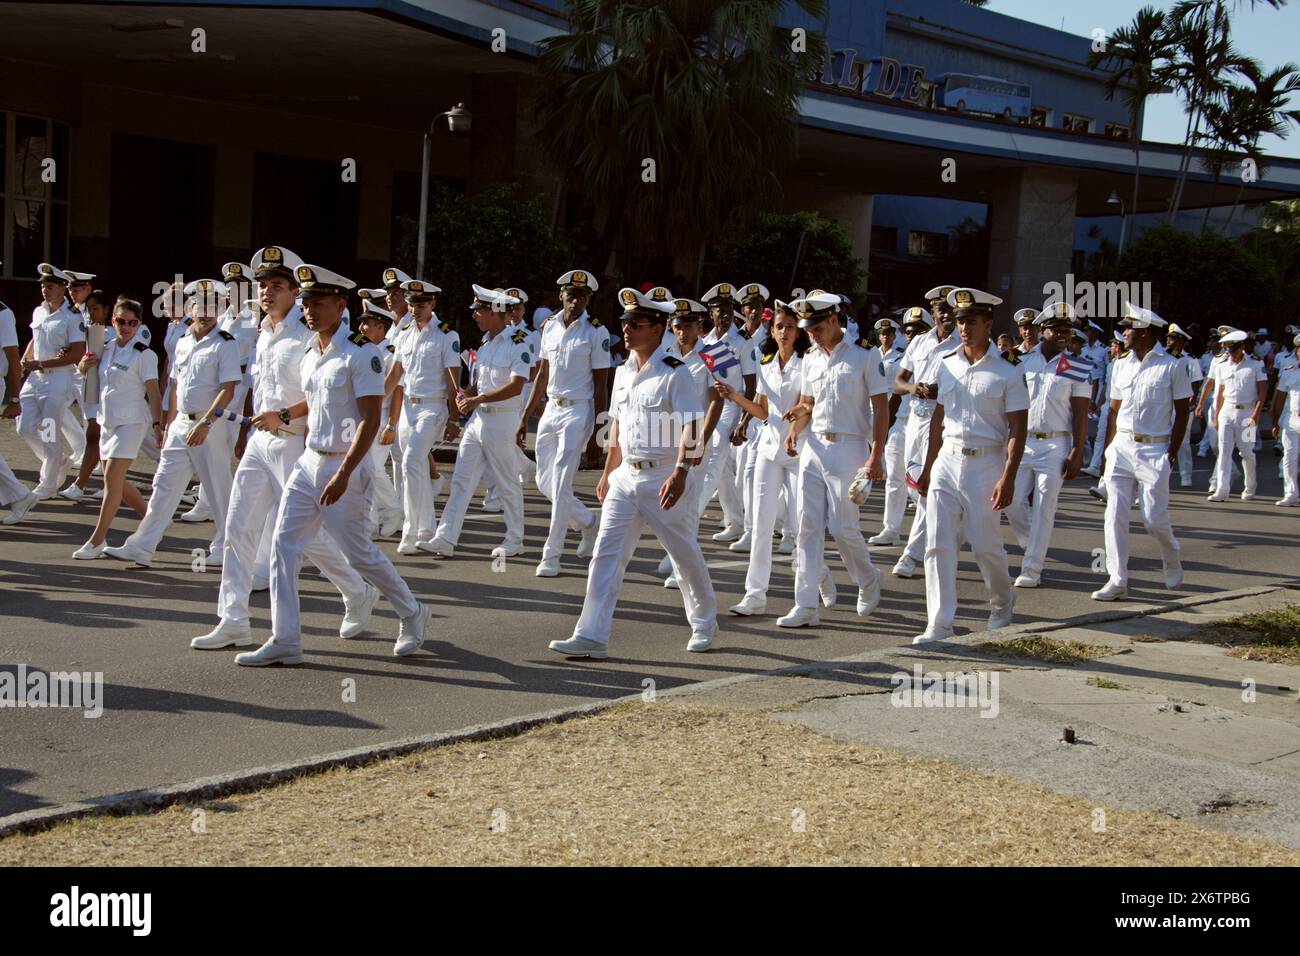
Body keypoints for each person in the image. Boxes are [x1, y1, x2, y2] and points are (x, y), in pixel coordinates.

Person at [235, 263, 430, 666]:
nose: (309, 311)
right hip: (308, 462)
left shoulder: (361, 353)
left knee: (359, 554)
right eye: (305, 304)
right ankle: (285, 638)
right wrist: (285, 416)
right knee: (283, 547)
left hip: (345, 466)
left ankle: (412, 611)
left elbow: (370, 419)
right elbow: (314, 398)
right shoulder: (312, 350)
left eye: (318, 303)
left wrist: (343, 474)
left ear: (341, 305)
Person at [190, 251, 379, 651]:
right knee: (238, 527)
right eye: (262, 286)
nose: (267, 292)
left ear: (296, 291)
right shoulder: (264, 330)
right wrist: (251, 426)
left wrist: (281, 414)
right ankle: (233, 619)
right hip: (262, 441)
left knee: (301, 537)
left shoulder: (308, 333)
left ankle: (356, 590)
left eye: (277, 286)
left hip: (296, 441)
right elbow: (256, 387)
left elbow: (322, 392)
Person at [546, 287, 716, 659]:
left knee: (682, 553)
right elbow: (617, 426)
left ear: (657, 329)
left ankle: (704, 621)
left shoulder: (676, 373)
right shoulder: (624, 371)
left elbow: (693, 425)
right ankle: (591, 634)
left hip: (663, 476)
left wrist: (682, 471)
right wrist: (608, 472)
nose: (626, 329)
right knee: (606, 555)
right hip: (626, 476)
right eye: (624, 322)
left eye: (635, 323)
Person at [912, 288, 1026, 644]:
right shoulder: (947, 365)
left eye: (972, 322)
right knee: (937, 542)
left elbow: (1017, 428)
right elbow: (938, 419)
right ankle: (940, 621)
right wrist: (929, 466)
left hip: (986, 462)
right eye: (960, 321)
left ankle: (1002, 600)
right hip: (948, 457)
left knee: (984, 545)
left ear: (988, 325)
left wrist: (1008, 476)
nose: (964, 328)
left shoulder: (1008, 372)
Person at [103, 279, 240, 568]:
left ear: (221, 307)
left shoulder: (225, 343)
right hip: (180, 424)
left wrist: (205, 423)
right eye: (200, 305)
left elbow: (228, 388)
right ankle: (142, 545)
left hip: (208, 426)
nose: (206, 311)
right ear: (190, 307)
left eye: (213, 305)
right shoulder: (183, 340)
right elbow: (175, 386)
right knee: (164, 485)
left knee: (218, 490)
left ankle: (230, 547)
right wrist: (166, 423)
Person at [775, 291, 888, 629]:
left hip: (849, 447)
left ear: (835, 321)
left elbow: (881, 407)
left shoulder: (865, 356)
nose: (811, 333)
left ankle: (868, 579)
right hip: (815, 447)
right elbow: (809, 401)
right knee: (806, 528)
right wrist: (797, 423)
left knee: (842, 528)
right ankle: (805, 605)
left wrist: (875, 456)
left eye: (817, 327)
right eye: (808, 328)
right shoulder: (811, 357)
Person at [1091, 303, 1192, 601]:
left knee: (1153, 519)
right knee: (1114, 514)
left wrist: (1170, 452)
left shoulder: (1172, 366)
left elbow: (1182, 413)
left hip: (1154, 448)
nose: (1123, 333)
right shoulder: (1120, 363)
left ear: (1144, 332)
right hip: (1121, 446)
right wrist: (1106, 453)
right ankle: (1117, 578)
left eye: (1128, 329)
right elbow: (1113, 410)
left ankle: (1170, 552)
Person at [717, 302, 812, 616]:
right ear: (772, 331)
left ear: (799, 332)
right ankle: (755, 595)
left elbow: (807, 405)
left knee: (801, 526)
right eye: (780, 327)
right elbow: (761, 410)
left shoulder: (809, 362)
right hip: (770, 450)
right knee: (760, 523)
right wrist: (734, 396)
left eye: (790, 327)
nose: (784, 332)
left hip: (799, 452)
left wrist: (795, 431)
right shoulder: (766, 361)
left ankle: (813, 587)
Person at [423, 286, 531, 558]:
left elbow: (517, 385)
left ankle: (515, 539)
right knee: (461, 480)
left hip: (502, 421)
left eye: (479, 310)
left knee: (507, 483)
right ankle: (445, 537)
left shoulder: (518, 341)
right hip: (479, 420)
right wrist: (468, 394)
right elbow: (480, 382)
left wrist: (478, 398)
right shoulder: (485, 342)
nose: (474, 315)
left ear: (496, 311)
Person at [518, 269, 608, 576]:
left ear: (588, 299)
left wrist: (599, 432)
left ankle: (551, 554)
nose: (576, 300)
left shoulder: (596, 331)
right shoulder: (550, 328)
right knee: (544, 481)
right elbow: (542, 374)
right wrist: (525, 416)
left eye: (582, 296)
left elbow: (601, 385)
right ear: (561, 296)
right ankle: (588, 522)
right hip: (551, 410)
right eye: (571, 295)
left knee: (560, 482)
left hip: (577, 411)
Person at [1004, 303, 1090, 588]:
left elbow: (1080, 412)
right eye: (1057, 329)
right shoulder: (1020, 361)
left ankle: (1032, 567)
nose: (1064, 334)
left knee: (1044, 506)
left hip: (1055, 443)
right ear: (1043, 331)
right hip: (1022, 440)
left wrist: (1077, 450)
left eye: (1068, 329)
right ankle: (1032, 544)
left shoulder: (1077, 365)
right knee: (1012, 501)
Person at [70, 298, 162, 557]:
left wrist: (158, 424)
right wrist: (82, 366)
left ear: (139, 325)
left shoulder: (145, 353)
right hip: (107, 421)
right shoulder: (105, 347)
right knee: (117, 481)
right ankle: (153, 524)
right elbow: (88, 376)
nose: (126, 327)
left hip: (132, 422)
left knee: (111, 480)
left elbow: (153, 393)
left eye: (132, 323)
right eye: (121, 321)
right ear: (113, 322)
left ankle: (97, 540)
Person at [386, 277, 459, 554]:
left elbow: (453, 380)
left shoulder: (446, 334)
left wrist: (454, 418)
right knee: (410, 466)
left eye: (421, 303)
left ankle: (412, 528)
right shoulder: (404, 333)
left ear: (433, 303)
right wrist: (372, 404)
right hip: (408, 406)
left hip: (432, 406)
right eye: (412, 303)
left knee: (412, 461)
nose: (416, 308)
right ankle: (424, 527)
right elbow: (395, 376)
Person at [891, 285, 960, 578]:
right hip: (915, 422)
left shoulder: (964, 343)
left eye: (950, 310)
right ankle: (953, 529)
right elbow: (898, 381)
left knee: (925, 487)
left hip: (946, 423)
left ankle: (911, 554)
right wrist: (914, 388)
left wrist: (940, 392)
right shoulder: (920, 342)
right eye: (940, 310)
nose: (945, 314)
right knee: (913, 484)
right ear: (933, 314)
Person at [17, 263, 86, 500]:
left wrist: (42, 364)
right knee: (24, 427)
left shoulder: (72, 316)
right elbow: (35, 338)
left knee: (49, 431)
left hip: (58, 379)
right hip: (34, 378)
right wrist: (26, 357)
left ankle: (48, 483)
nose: (45, 290)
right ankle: (58, 461)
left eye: (51, 286)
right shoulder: (40, 311)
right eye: (44, 286)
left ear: (62, 288)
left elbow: (77, 353)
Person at [698, 282, 758, 542]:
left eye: (728, 308)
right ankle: (735, 521)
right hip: (708, 407)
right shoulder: (705, 342)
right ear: (710, 313)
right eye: (718, 309)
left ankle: (689, 515)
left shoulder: (743, 342)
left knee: (712, 461)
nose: (724, 314)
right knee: (723, 471)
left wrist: (744, 421)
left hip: (733, 407)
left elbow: (752, 385)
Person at [58, 289, 116, 501]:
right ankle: (110, 484)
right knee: (97, 437)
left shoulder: (113, 332)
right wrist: (80, 362)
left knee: (95, 436)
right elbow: (82, 362)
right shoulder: (87, 330)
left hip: (108, 392)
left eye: (96, 308)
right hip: (90, 388)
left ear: (106, 310)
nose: (92, 313)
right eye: (89, 309)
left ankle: (79, 485)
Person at [870, 311, 920, 548]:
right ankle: (891, 529)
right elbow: (896, 392)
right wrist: (886, 424)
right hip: (899, 420)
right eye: (908, 333)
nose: (911, 337)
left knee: (918, 480)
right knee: (894, 477)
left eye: (916, 332)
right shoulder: (898, 356)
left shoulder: (906, 355)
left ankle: (928, 528)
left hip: (924, 422)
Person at [355, 302, 403, 538]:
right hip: (363, 416)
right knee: (365, 469)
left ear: (381, 328)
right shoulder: (363, 350)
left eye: (368, 324)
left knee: (372, 469)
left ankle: (394, 510)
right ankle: (370, 521)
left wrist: (391, 425)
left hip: (382, 417)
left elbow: (398, 391)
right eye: (362, 323)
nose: (362, 328)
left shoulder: (391, 353)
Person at [730, 282, 771, 553]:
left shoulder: (773, 336)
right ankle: (743, 523)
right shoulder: (734, 337)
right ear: (743, 310)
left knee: (754, 473)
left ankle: (756, 528)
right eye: (748, 307)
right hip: (740, 407)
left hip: (764, 412)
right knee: (739, 474)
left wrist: (746, 420)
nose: (752, 312)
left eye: (757, 307)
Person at [1207, 329, 1267, 502]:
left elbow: (1263, 391)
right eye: (1228, 350)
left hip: (1247, 413)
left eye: (1233, 350)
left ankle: (1250, 487)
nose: (1231, 354)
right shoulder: (1222, 365)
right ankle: (1222, 489)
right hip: (1227, 411)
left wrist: (1256, 414)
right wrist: (1217, 416)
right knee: (1224, 452)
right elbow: (1219, 392)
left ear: (1242, 347)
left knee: (1247, 453)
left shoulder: (1255, 364)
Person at [1165, 323, 1204, 488]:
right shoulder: (1164, 357)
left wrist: (1192, 399)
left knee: (1183, 441)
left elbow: (1197, 381)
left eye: (1173, 338)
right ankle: (1163, 473)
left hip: (1183, 404)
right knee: (1163, 439)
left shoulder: (1190, 360)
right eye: (1168, 337)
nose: (1169, 341)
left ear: (1182, 342)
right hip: (1167, 404)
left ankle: (1186, 475)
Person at [1273, 330, 1300, 507]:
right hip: (1291, 419)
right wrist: (1275, 422)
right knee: (1289, 457)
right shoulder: (1290, 371)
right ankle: (1290, 493)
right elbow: (1280, 397)